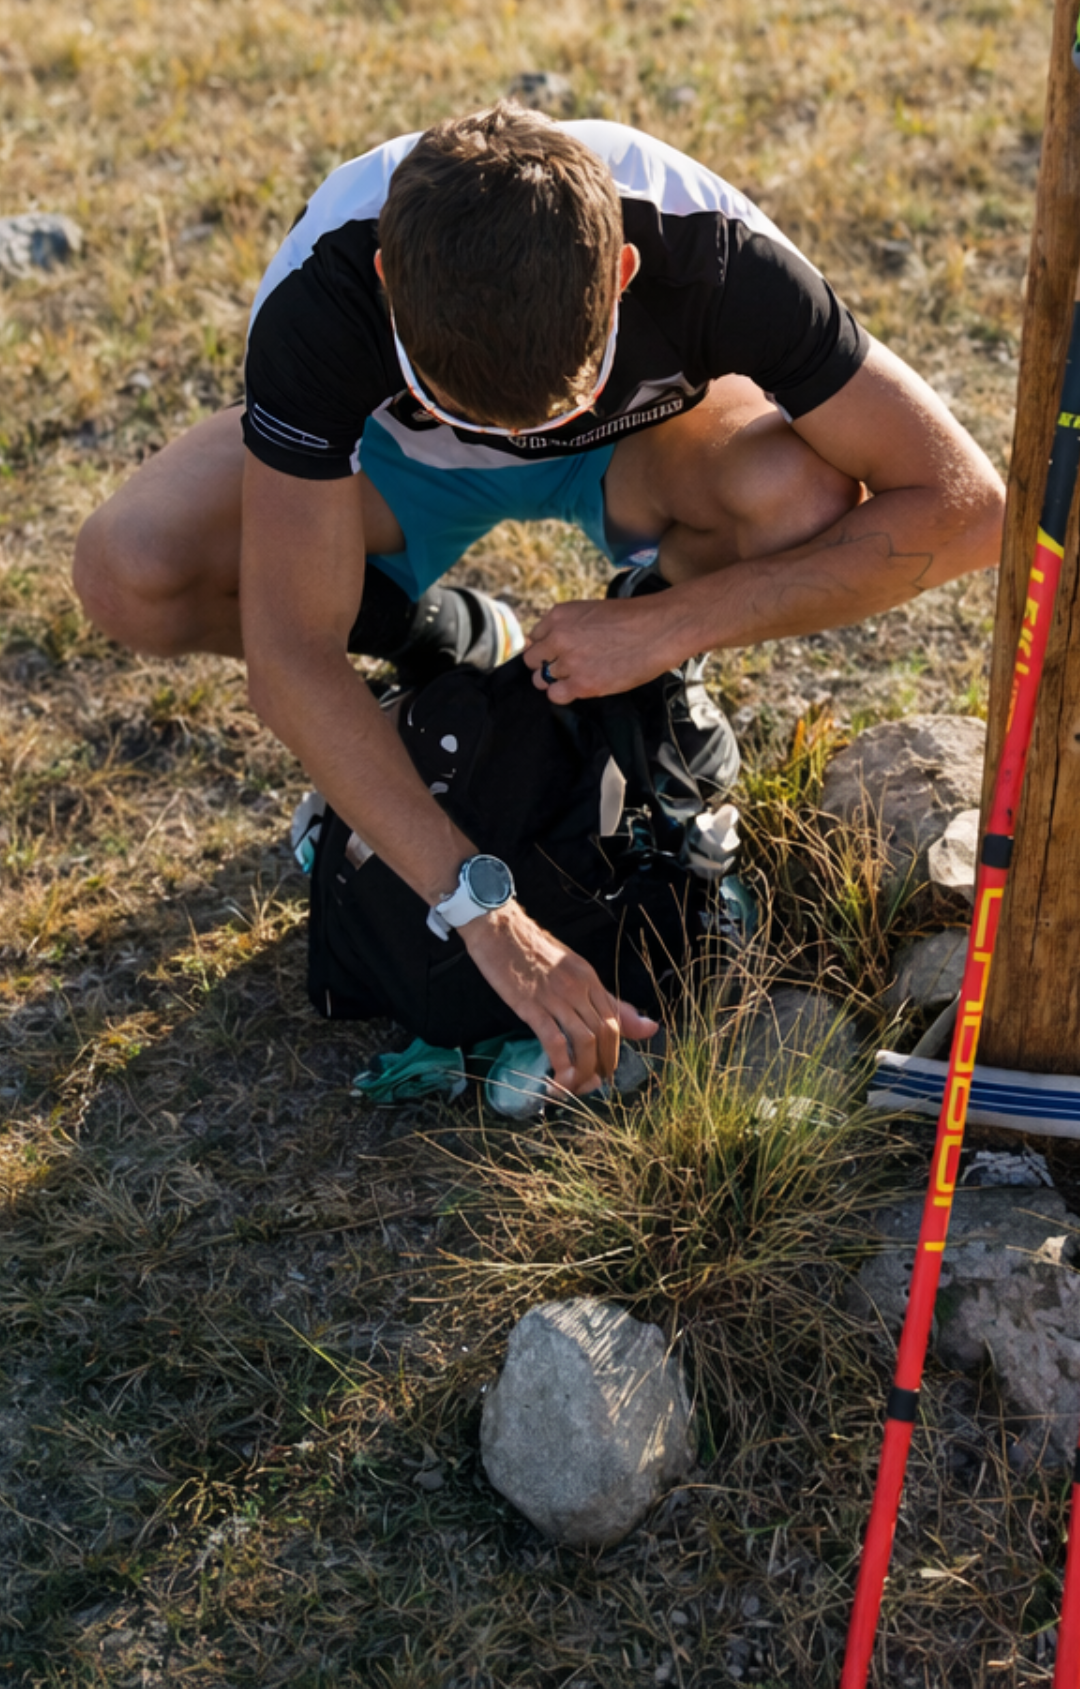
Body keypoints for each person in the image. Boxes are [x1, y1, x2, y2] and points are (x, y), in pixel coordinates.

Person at [73, 102, 1005, 1097]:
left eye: (564, 391)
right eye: (447, 390)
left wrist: (665, 624)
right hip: (394, 469)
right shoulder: (327, 291)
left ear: (622, 277)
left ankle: (643, 663)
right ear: (389, 281)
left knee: (800, 498)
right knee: (129, 571)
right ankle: (441, 637)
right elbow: (290, 658)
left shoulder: (707, 251)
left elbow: (968, 506)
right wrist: (485, 914)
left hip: (642, 449)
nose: (515, 431)